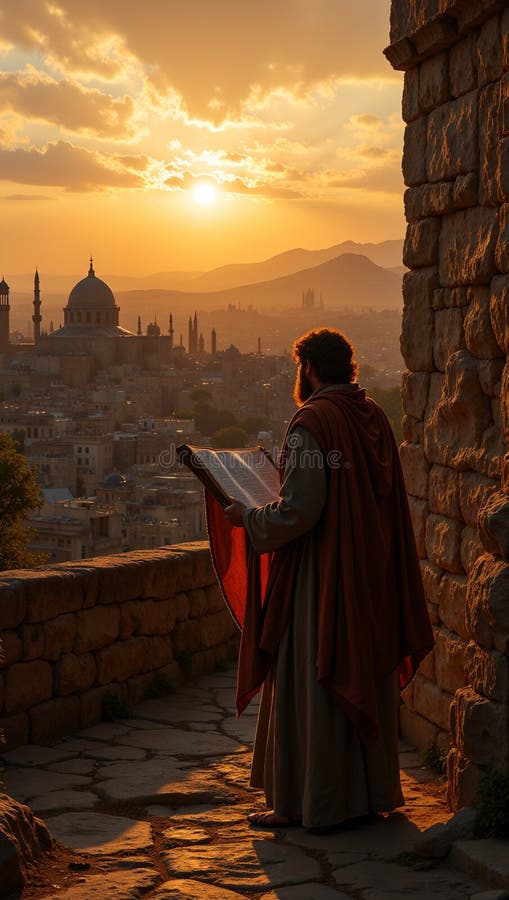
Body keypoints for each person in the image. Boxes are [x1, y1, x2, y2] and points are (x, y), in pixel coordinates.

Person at [214, 328, 434, 831]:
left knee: (312, 675)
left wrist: (248, 518)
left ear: (308, 368)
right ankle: (365, 794)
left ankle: (307, 801)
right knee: (363, 668)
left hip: (322, 575)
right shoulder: (373, 415)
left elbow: (301, 508)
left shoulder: (312, 421)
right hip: (369, 570)